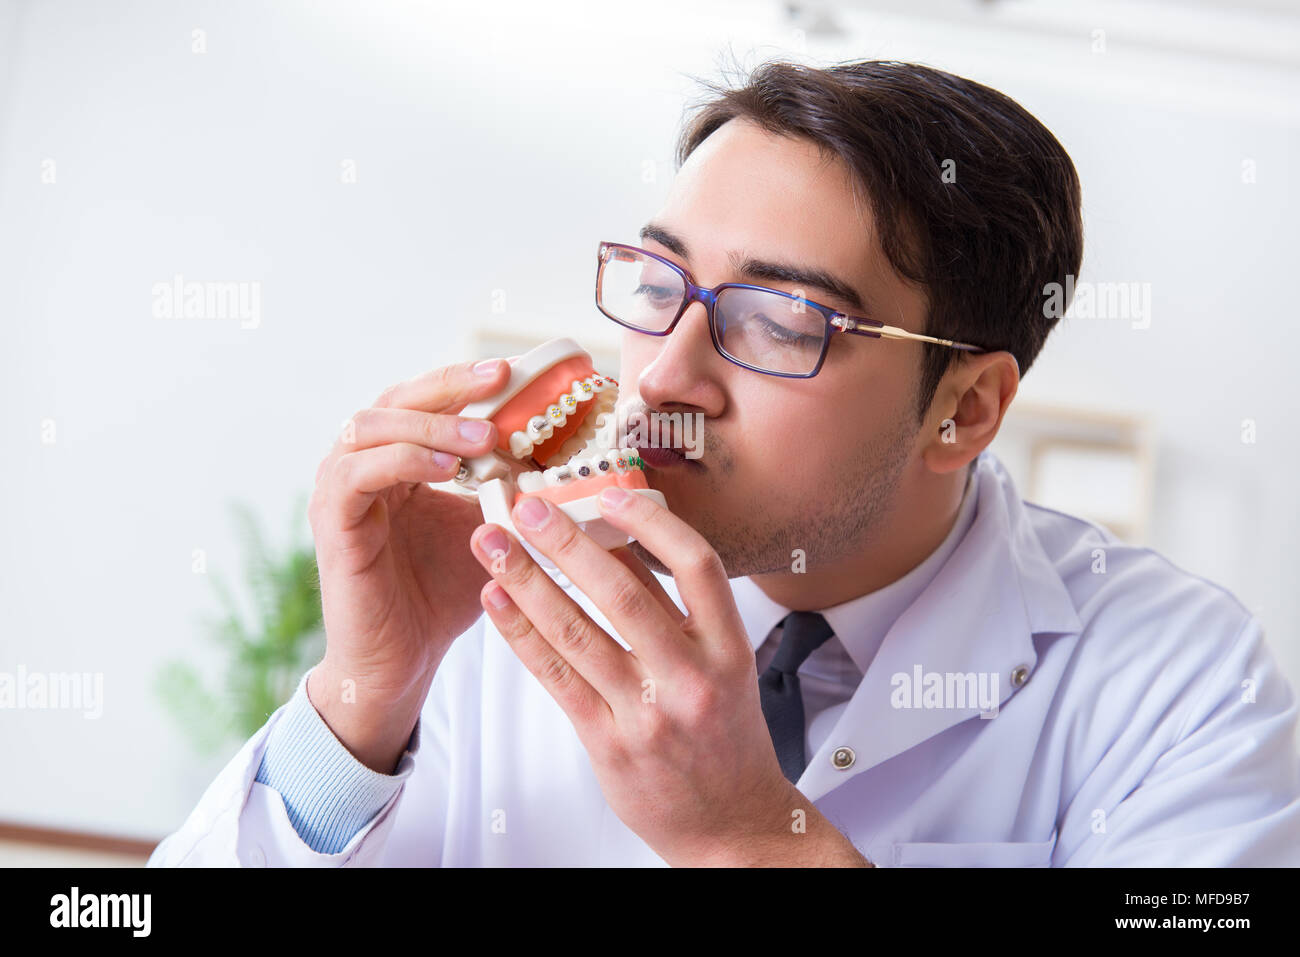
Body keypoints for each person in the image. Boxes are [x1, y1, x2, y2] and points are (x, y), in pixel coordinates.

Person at [148, 59, 1300, 867]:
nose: (663, 376)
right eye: (659, 289)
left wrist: (749, 838)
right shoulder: (497, 618)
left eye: (779, 321)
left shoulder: (1183, 686)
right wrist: (364, 700)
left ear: (962, 409)